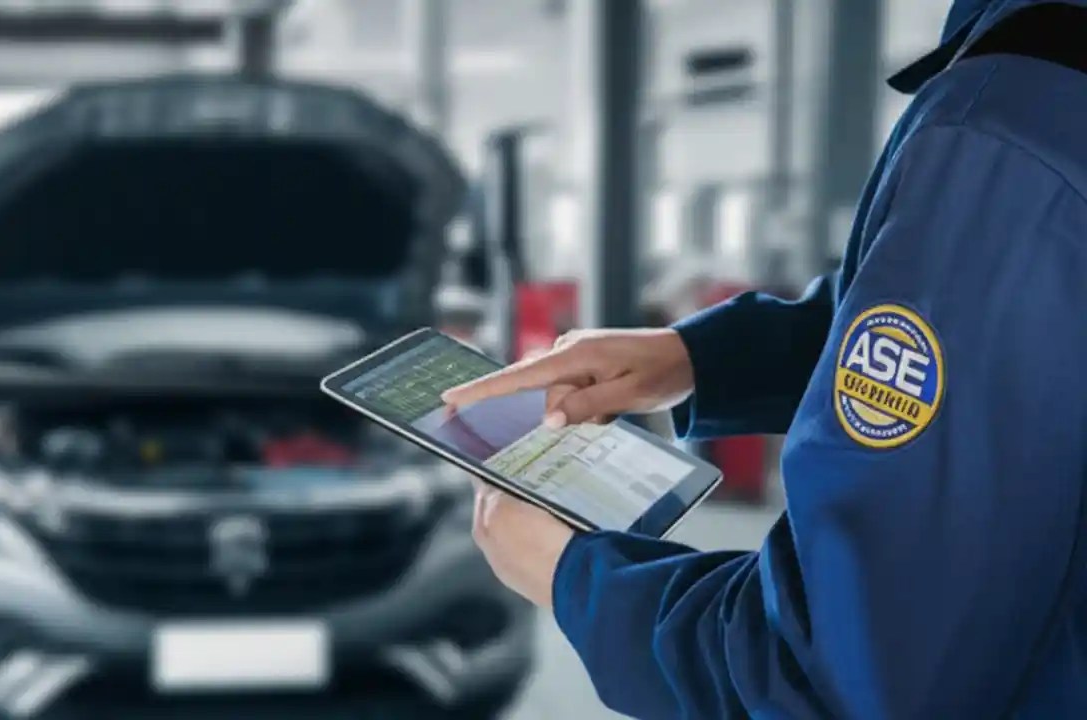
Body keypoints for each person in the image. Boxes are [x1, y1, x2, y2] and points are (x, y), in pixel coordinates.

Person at [443, 1, 1087, 717]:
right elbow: (1025, 331)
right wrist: (702, 358)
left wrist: (579, 579)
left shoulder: (1005, 130)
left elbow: (841, 678)